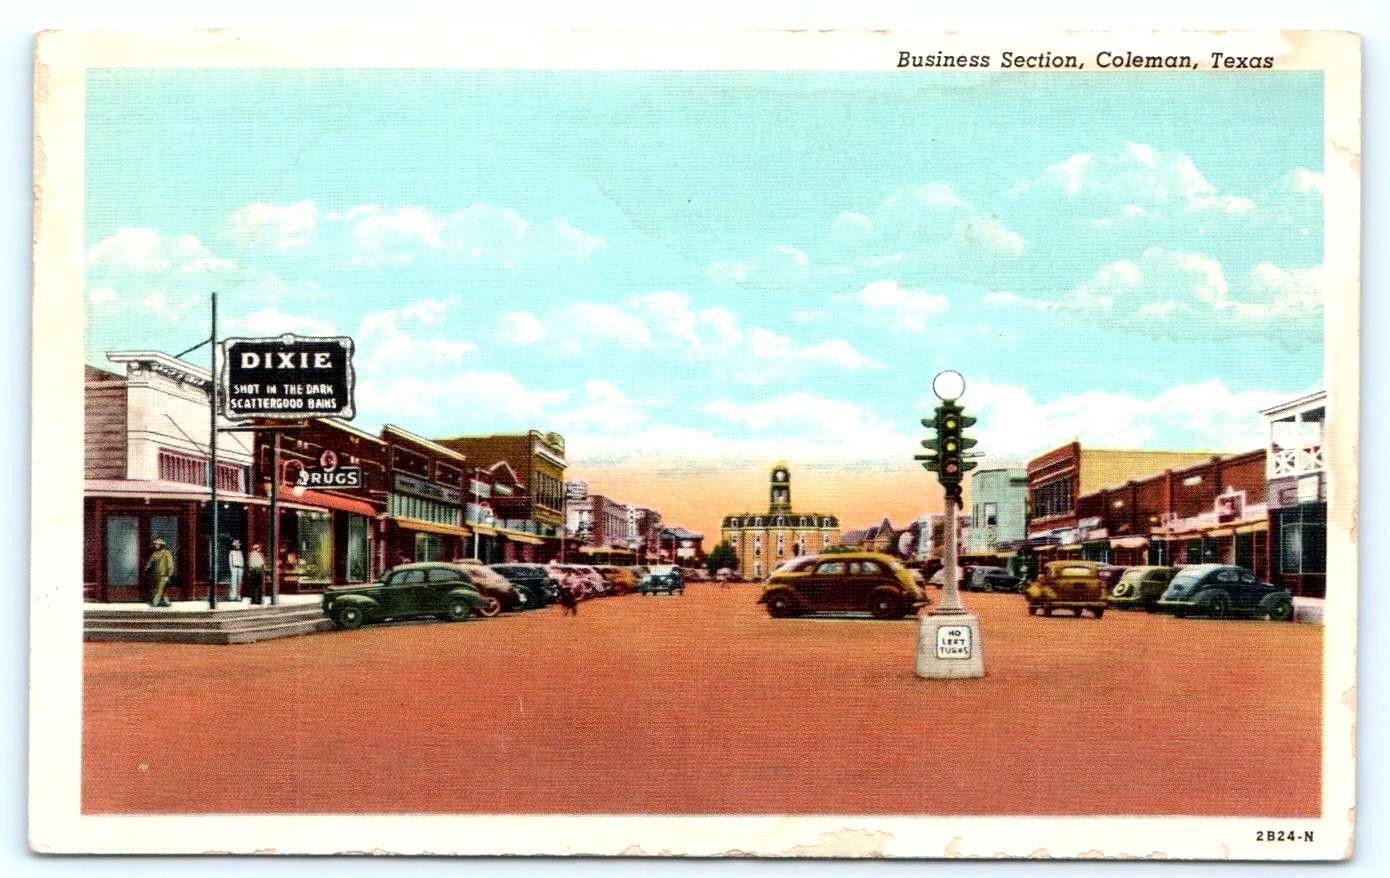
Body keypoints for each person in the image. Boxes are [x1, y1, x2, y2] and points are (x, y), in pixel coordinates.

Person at [144, 536, 174, 607]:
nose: (155, 545)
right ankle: (167, 602)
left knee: (159, 590)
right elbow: (150, 563)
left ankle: (155, 603)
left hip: (164, 575)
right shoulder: (155, 554)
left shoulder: (167, 553)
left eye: (157, 544)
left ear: (161, 545)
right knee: (161, 590)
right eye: (155, 544)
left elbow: (170, 564)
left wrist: (169, 574)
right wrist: (146, 569)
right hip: (156, 575)